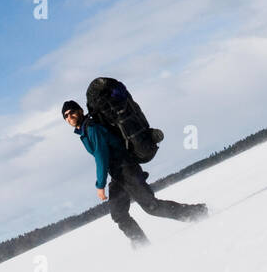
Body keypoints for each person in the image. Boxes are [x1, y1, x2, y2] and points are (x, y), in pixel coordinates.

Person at [62, 99, 208, 246]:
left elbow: (101, 156)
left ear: (80, 111)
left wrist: (100, 185)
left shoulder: (92, 128)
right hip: (118, 175)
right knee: (119, 214)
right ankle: (142, 245)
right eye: (66, 116)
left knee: (152, 206)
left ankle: (197, 212)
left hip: (127, 169)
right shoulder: (85, 132)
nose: (70, 117)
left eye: (72, 112)